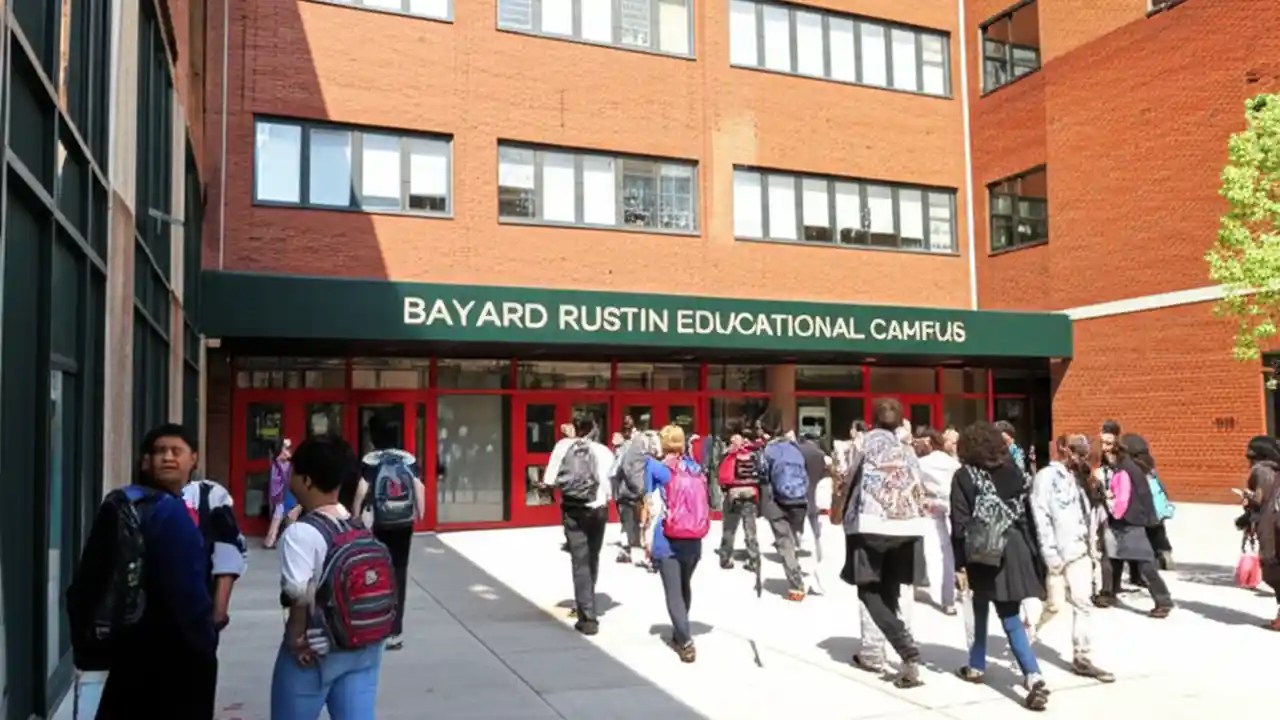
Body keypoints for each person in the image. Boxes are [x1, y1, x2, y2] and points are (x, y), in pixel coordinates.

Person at [85, 424, 218, 719]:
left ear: (193, 459)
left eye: (176, 451)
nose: (168, 457)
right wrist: (205, 645)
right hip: (171, 654)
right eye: (159, 451)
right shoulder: (165, 512)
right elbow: (188, 598)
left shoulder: (127, 503)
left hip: (129, 650)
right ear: (145, 462)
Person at [272, 434, 386, 720]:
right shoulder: (357, 525)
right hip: (364, 646)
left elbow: (298, 592)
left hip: (315, 651)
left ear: (306, 480)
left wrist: (296, 638)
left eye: (294, 471)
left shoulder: (300, 533)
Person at [951, 421, 1049, 711]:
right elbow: (1028, 515)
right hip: (1015, 547)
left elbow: (959, 525)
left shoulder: (964, 476)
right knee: (1010, 614)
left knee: (981, 607)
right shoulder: (1014, 471)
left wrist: (959, 564)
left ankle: (987, 667)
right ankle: (1027, 673)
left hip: (981, 550)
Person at [839, 399, 929, 688]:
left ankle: (906, 648)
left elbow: (849, 477)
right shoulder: (907, 448)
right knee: (890, 591)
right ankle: (906, 662)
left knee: (868, 592)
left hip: (870, 524)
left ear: (872, 419)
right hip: (907, 526)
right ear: (901, 421)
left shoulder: (863, 444)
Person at [1030, 434, 1114, 682]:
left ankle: (1082, 656)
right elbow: (1041, 515)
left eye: (1084, 452)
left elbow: (1090, 514)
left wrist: (1093, 548)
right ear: (1063, 450)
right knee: (1055, 605)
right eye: (1077, 451)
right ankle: (1026, 635)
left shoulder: (1082, 479)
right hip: (1058, 551)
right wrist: (1050, 553)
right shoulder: (1047, 477)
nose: (1080, 457)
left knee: (1082, 602)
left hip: (1080, 551)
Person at [352, 416, 426, 651]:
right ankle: (396, 632)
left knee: (376, 573)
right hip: (404, 524)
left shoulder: (371, 461)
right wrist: (419, 514)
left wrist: (355, 516)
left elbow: (362, 489)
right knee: (400, 574)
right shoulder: (408, 459)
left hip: (380, 523)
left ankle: (377, 628)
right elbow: (419, 487)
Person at [542, 414, 614, 635]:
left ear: (574, 428)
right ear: (594, 429)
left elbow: (549, 479)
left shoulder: (563, 447)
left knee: (579, 560)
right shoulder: (603, 451)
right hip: (598, 509)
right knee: (593, 556)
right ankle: (588, 599)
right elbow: (611, 483)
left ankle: (587, 616)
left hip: (573, 509)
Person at [645, 425, 707, 662]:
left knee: (673, 592)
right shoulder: (694, 468)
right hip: (693, 538)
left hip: (667, 538)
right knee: (683, 586)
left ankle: (685, 641)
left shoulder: (656, 467)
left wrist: (644, 537)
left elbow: (648, 501)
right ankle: (680, 630)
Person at [1096, 434, 1174, 617]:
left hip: (1128, 521)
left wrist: (1113, 511)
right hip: (1138, 520)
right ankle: (1111, 592)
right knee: (1115, 558)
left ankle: (1163, 601)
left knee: (1141, 562)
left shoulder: (1125, 470)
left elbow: (1123, 499)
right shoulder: (1140, 469)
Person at [758, 409, 810, 602]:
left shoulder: (768, 450)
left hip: (776, 502)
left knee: (784, 543)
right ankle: (796, 565)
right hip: (799, 499)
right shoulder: (795, 448)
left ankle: (796, 585)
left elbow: (762, 474)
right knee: (792, 539)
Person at [914, 427, 959, 615]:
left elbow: (916, 487)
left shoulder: (921, 463)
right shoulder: (954, 464)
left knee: (935, 553)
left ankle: (939, 594)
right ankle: (949, 598)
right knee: (948, 554)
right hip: (953, 507)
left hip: (931, 507)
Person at [1241, 436, 1280, 631]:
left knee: (1272, 571)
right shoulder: (1275, 468)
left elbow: (1260, 499)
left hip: (1271, 527)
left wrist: (1247, 498)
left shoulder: (1260, 471)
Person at [716, 422, 762, 573]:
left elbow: (722, 477)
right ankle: (754, 560)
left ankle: (725, 558)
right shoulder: (753, 454)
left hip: (733, 494)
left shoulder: (728, 456)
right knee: (750, 529)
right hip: (750, 494)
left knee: (729, 528)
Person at [612, 416, 649, 565]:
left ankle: (628, 549)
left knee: (628, 519)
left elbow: (620, 469)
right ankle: (633, 548)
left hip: (626, 489)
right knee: (634, 519)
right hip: (632, 489)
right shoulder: (636, 446)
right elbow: (627, 469)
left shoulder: (626, 446)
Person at [797, 431, 830, 594]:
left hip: (798, 493)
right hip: (814, 494)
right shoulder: (820, 454)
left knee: (800, 526)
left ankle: (801, 545)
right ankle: (817, 548)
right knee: (814, 525)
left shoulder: (797, 451)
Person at [265, 438, 296, 549]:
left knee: (284, 516)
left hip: (283, 494)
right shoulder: (280, 464)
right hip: (281, 494)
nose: (288, 452)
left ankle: (271, 540)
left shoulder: (278, 463)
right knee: (279, 516)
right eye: (285, 449)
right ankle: (270, 540)